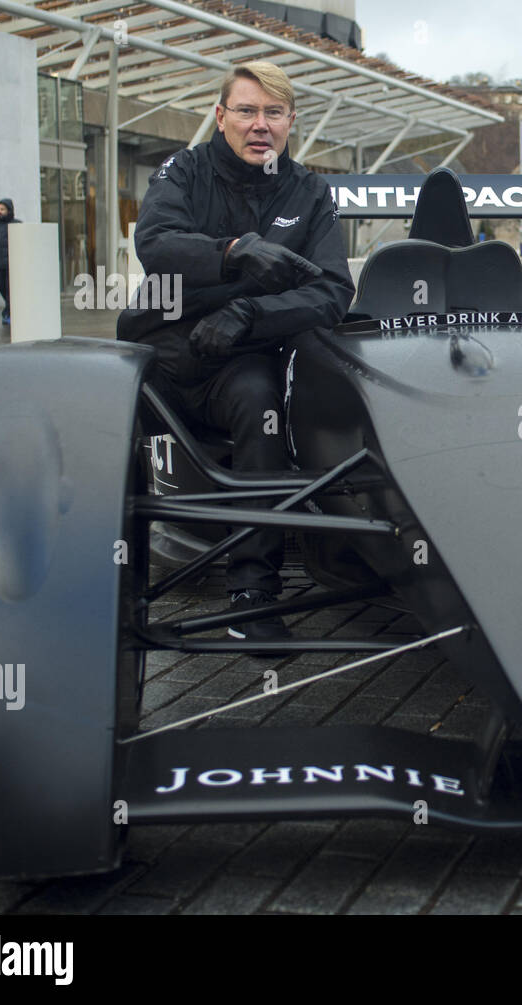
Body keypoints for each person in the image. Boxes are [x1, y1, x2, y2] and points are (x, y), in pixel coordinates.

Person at [119, 60, 355, 641]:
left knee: (262, 404)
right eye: (246, 110)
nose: (259, 125)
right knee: (100, 418)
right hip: (161, 353)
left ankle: (253, 592)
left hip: (241, 357)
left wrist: (250, 313)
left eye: (273, 113)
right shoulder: (183, 171)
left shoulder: (308, 189)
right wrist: (233, 252)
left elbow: (332, 292)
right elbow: (154, 241)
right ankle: (111, 573)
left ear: (290, 122)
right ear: (221, 116)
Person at [0, 198, 20, 325]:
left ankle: (8, 313)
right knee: (1, 288)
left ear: (9, 210)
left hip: (12, 266)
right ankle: (9, 311)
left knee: (10, 291)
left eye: (2, 209)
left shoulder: (17, 224)